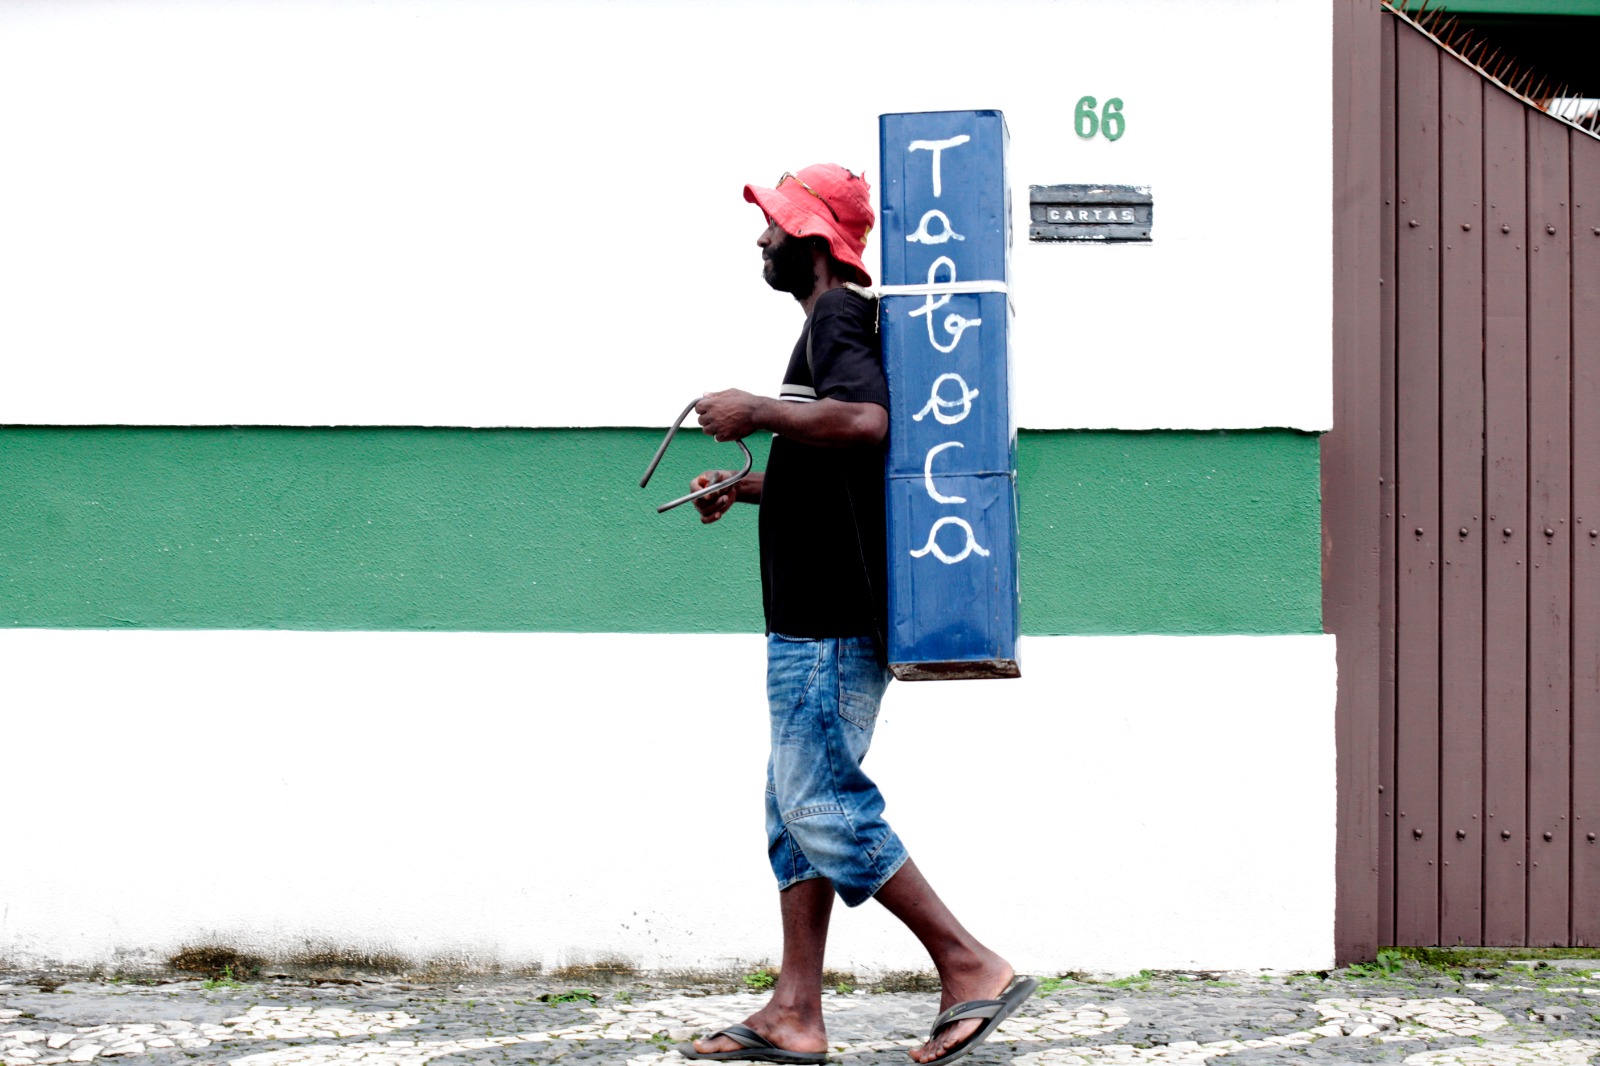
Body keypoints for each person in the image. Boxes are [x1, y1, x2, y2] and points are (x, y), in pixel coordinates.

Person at [679, 164, 1035, 1066]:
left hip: (829, 620)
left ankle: (970, 963)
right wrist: (743, 487)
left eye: (774, 227)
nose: (761, 240)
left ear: (811, 241)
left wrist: (757, 409)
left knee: (820, 802)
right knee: (791, 811)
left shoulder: (837, 314)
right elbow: (837, 469)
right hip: (812, 616)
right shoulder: (827, 328)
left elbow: (869, 424)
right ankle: (795, 1011)